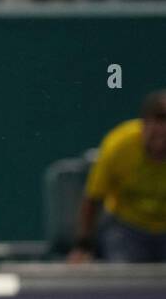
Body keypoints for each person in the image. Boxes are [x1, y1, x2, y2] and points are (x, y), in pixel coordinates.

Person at [68, 91, 166, 263]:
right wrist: (82, 246)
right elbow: (93, 199)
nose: (163, 131)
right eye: (158, 121)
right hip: (127, 230)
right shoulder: (118, 146)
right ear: (143, 123)